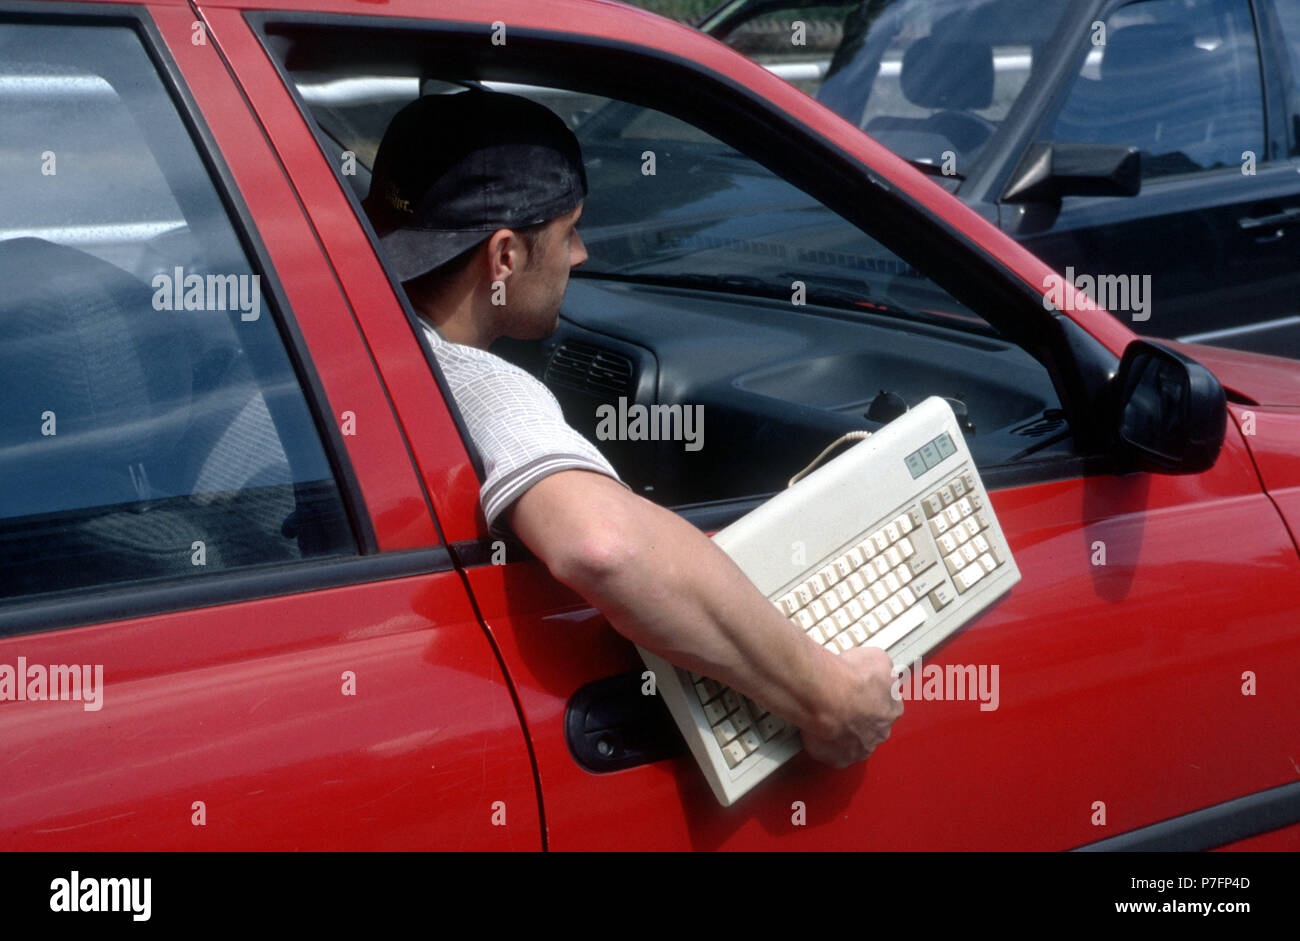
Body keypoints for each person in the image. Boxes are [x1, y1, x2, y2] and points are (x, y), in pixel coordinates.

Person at [364, 89, 901, 768]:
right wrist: (828, 694)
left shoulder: (328, 341)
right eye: (568, 232)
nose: (581, 255)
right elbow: (603, 546)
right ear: (503, 258)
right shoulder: (475, 383)